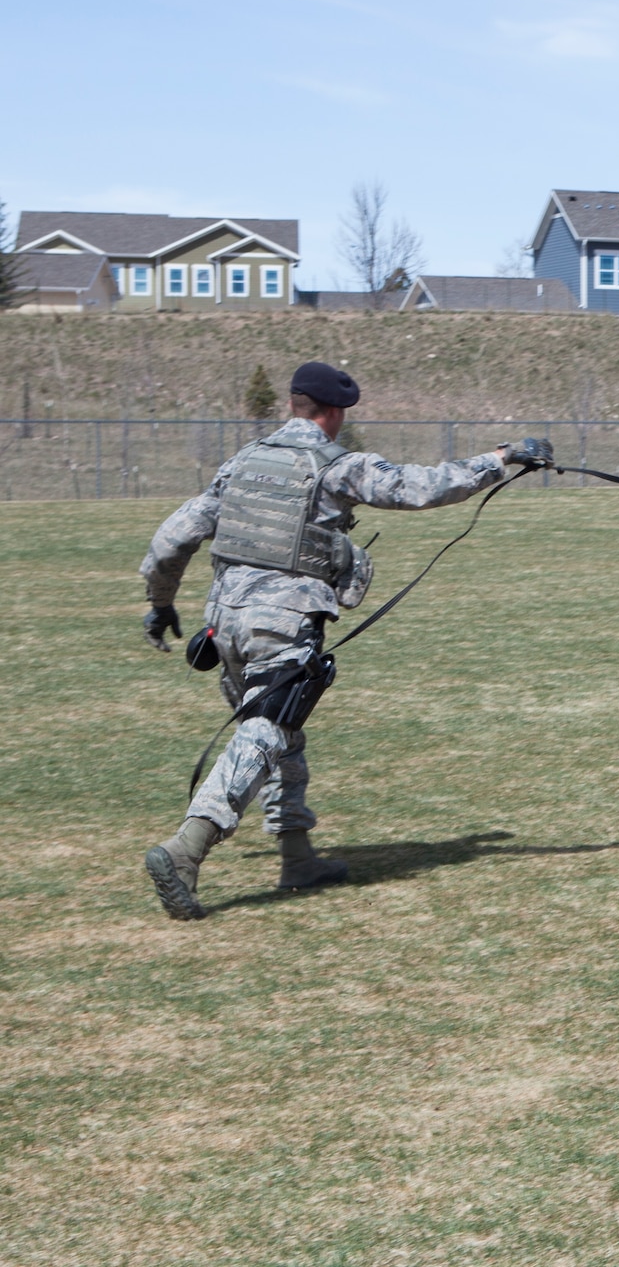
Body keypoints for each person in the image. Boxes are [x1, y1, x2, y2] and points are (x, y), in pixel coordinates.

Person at [139, 361, 554, 920]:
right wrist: (501, 459)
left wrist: (161, 603)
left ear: (293, 406)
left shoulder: (242, 462)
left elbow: (173, 538)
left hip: (224, 623)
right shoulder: (336, 466)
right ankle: (187, 847)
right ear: (333, 413)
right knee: (268, 730)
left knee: (279, 736)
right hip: (280, 622)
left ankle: (298, 856)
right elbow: (420, 487)